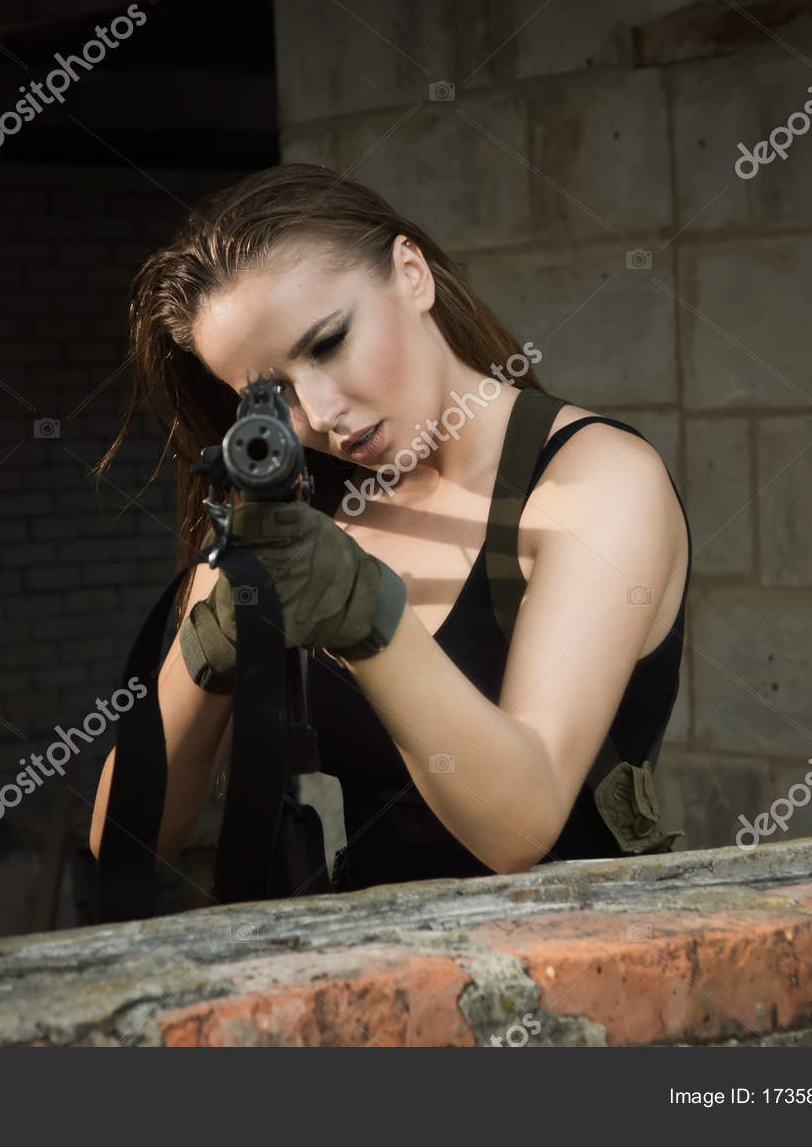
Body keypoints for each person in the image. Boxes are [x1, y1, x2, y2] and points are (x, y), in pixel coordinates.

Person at [88, 164, 690, 893]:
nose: (321, 411)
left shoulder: (593, 482)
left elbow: (521, 827)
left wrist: (364, 617)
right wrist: (210, 646)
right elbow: (121, 842)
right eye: (271, 396)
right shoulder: (299, 515)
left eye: (329, 342)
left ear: (411, 274)